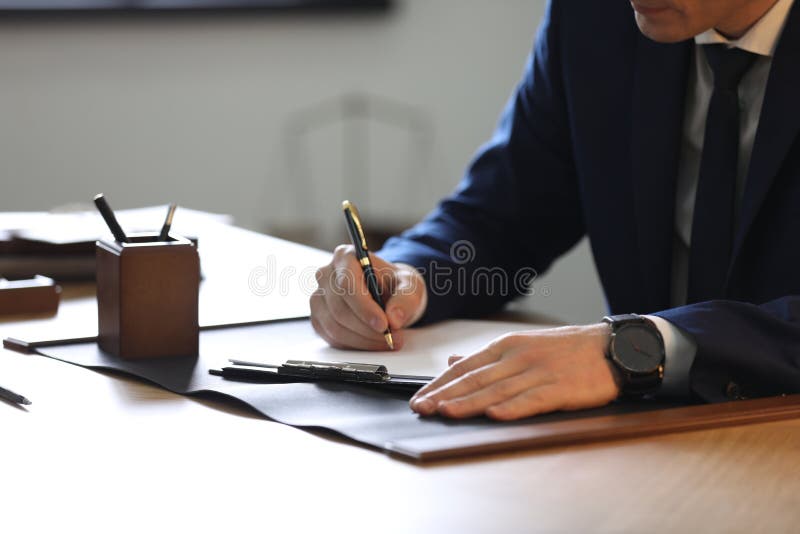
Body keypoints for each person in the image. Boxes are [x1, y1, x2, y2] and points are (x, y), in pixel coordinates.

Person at [310, 0, 800, 420]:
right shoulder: (596, 18)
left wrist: (634, 348)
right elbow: (504, 213)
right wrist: (407, 280)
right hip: (642, 446)